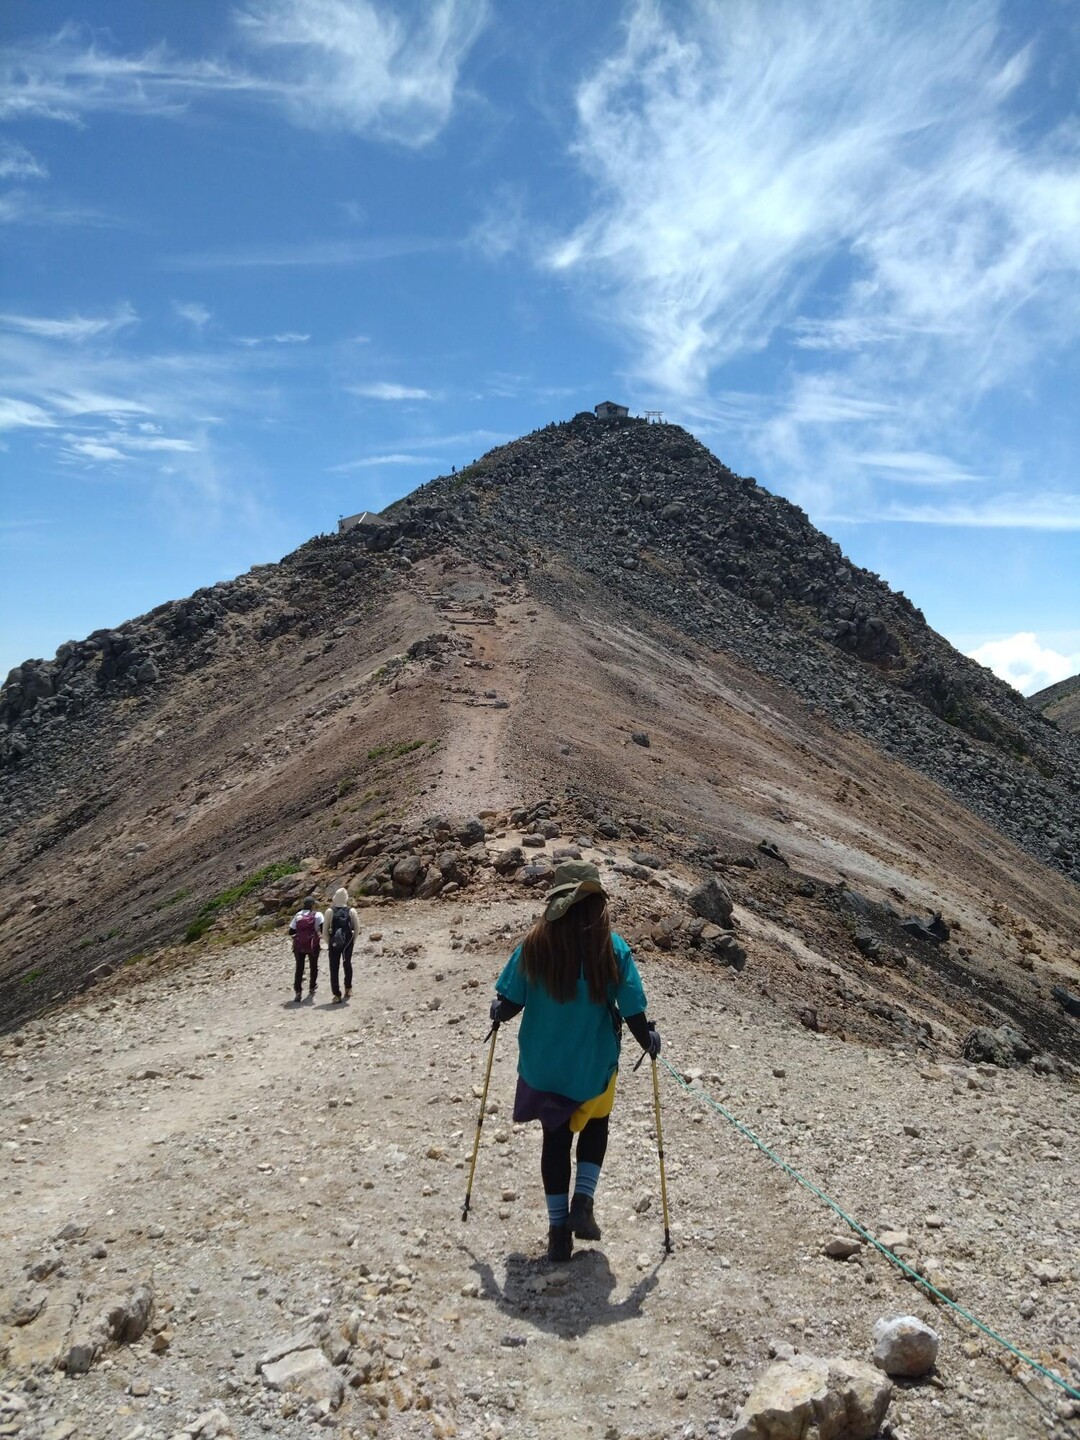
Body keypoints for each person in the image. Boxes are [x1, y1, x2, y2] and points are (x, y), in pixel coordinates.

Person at [489, 861, 661, 1262]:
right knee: (597, 1123)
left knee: (555, 1139)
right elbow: (633, 1009)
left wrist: (497, 1010)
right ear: (596, 903)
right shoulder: (613, 948)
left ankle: (556, 1233)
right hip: (592, 1065)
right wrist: (647, 1039)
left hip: (544, 1065)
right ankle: (582, 1201)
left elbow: (511, 1003)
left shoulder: (535, 944)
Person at [327, 886, 360, 1003]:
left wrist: (329, 943)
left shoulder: (330, 911)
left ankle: (336, 994)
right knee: (347, 964)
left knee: (334, 968)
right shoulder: (351, 911)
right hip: (347, 943)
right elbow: (357, 928)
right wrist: (352, 941)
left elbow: (325, 931)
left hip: (334, 944)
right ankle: (348, 988)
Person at [289, 897, 323, 1002]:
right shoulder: (317, 915)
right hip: (313, 944)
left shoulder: (298, 915)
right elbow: (323, 928)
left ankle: (298, 992)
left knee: (299, 967)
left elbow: (291, 931)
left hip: (299, 945)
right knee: (313, 965)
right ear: (312, 904)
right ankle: (312, 987)